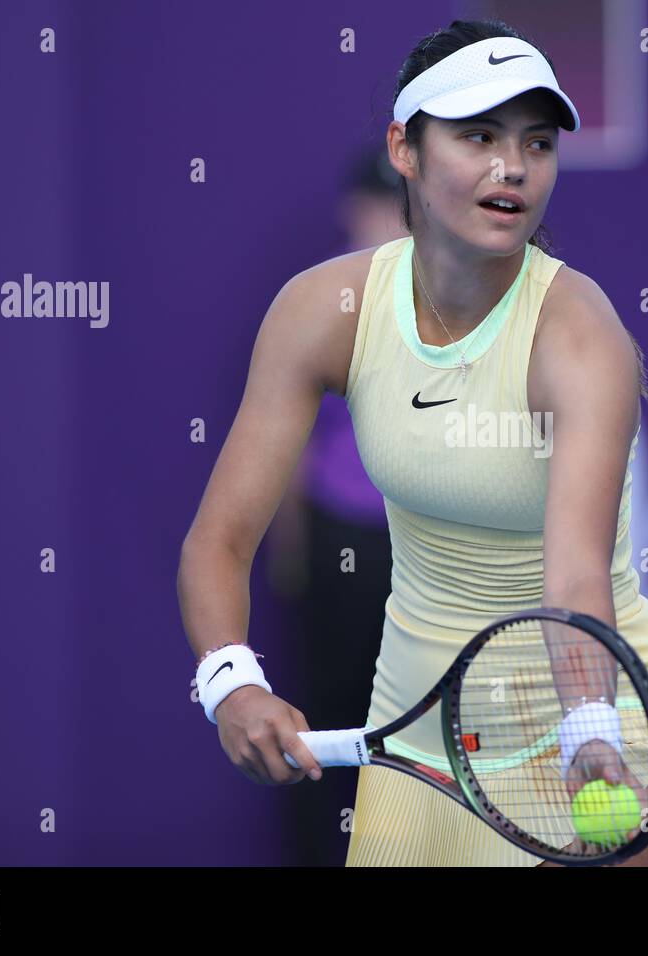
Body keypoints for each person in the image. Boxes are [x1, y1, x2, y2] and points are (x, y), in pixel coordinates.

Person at [177, 18, 648, 867]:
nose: (513, 166)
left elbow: (575, 574)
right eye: (479, 135)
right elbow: (219, 541)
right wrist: (230, 683)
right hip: (418, 722)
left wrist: (591, 734)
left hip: (590, 710)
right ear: (404, 147)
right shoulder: (323, 311)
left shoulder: (580, 338)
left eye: (536, 142)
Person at [265, 147, 403, 865]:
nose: (384, 221)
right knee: (327, 727)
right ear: (354, 210)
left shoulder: (445, 300)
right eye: (375, 206)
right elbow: (288, 451)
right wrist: (295, 555)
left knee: (409, 735)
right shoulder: (320, 307)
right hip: (338, 543)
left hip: (419, 552)